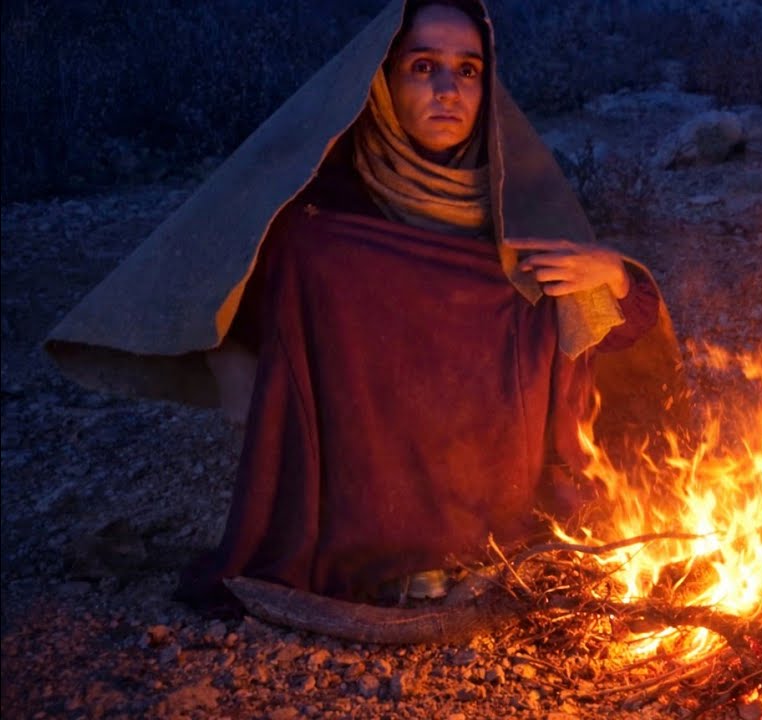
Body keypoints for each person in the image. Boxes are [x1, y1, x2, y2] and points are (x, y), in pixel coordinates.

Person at [44, 0, 684, 608]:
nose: (447, 90)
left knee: (558, 284)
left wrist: (615, 276)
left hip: (507, 515)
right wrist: (234, 366)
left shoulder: (518, 203)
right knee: (323, 256)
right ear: (381, 82)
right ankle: (388, 557)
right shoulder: (322, 220)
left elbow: (618, 334)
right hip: (367, 513)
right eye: (422, 66)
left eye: (468, 70)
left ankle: (507, 548)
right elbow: (227, 292)